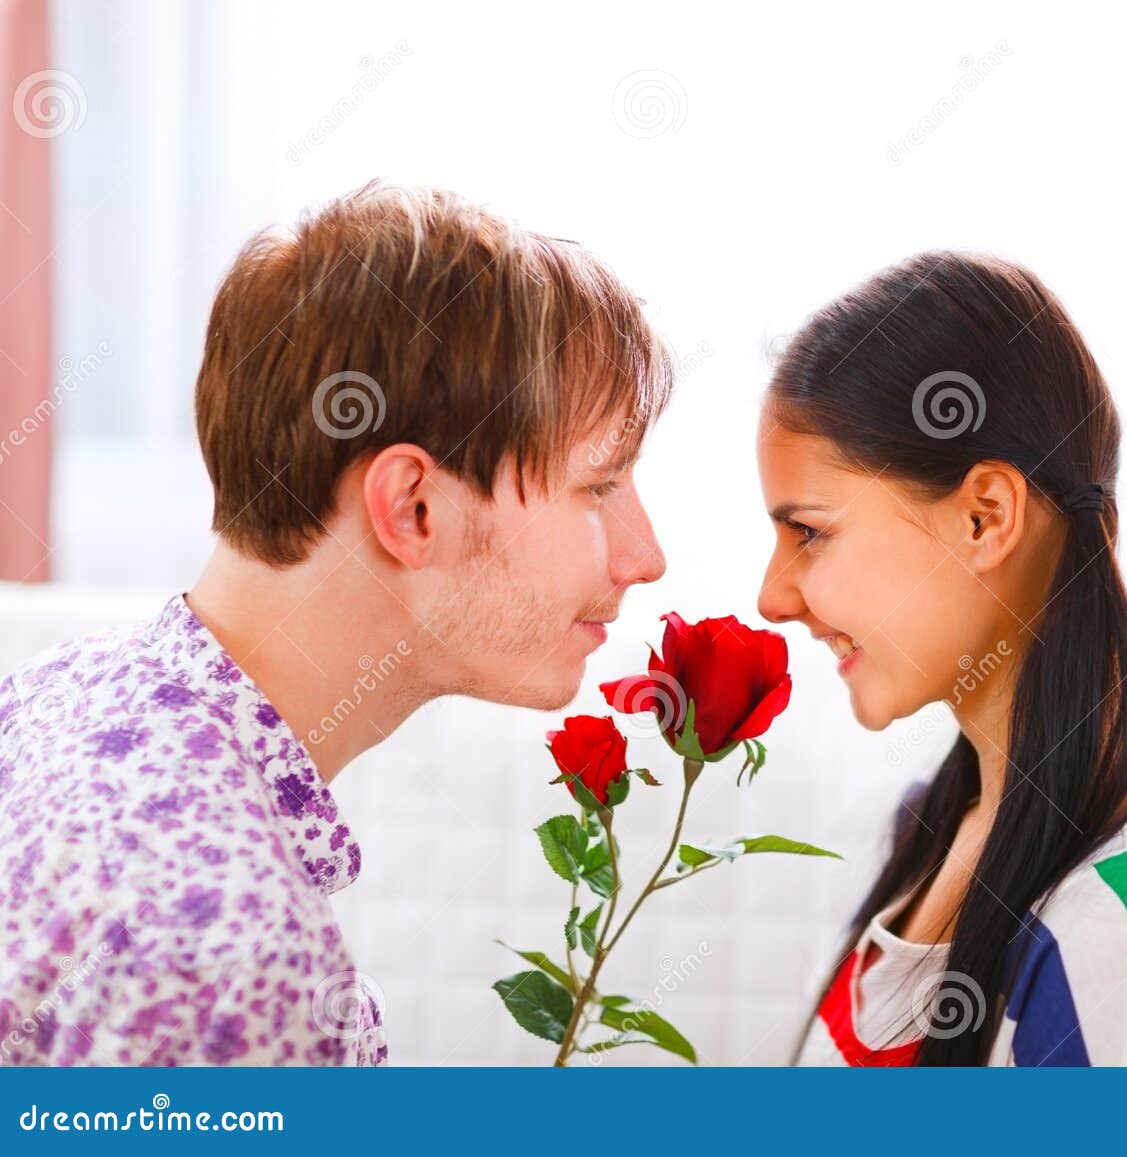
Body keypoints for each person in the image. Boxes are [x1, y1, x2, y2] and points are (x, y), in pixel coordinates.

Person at [0, 183, 669, 1065]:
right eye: (600, 486)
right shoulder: (234, 945)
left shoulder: (61, 686)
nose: (644, 555)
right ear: (413, 507)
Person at [756, 251, 1127, 1066]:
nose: (774, 595)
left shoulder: (1117, 928)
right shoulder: (944, 814)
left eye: (811, 532)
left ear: (986, 516)